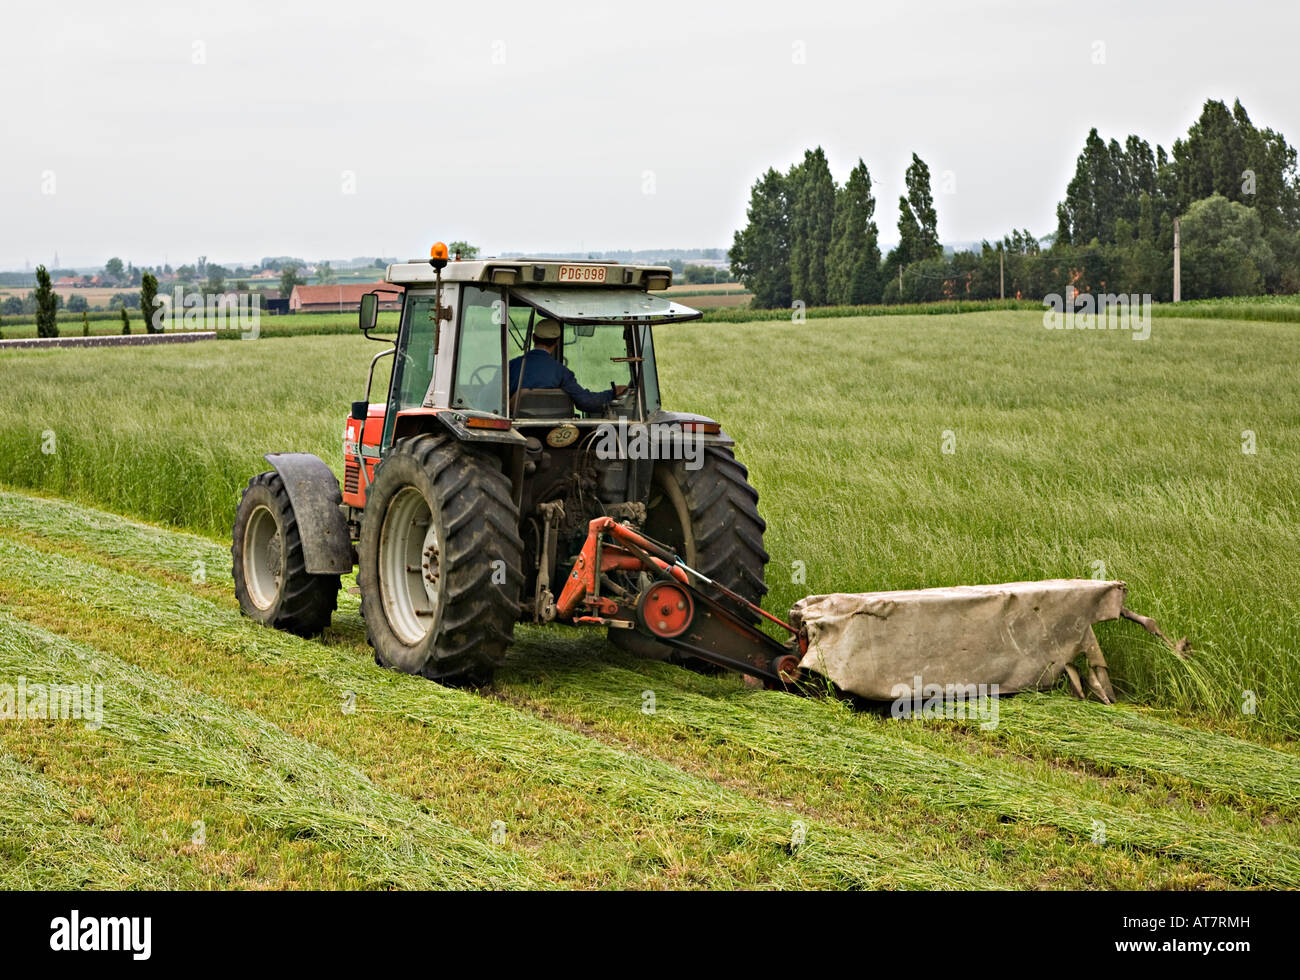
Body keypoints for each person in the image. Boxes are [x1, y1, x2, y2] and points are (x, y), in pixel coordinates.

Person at [508, 318, 626, 413]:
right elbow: (585, 402)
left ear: (534, 338)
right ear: (557, 341)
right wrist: (612, 393)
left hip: (518, 431)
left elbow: (494, 400)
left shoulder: (511, 366)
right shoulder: (562, 372)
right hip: (555, 433)